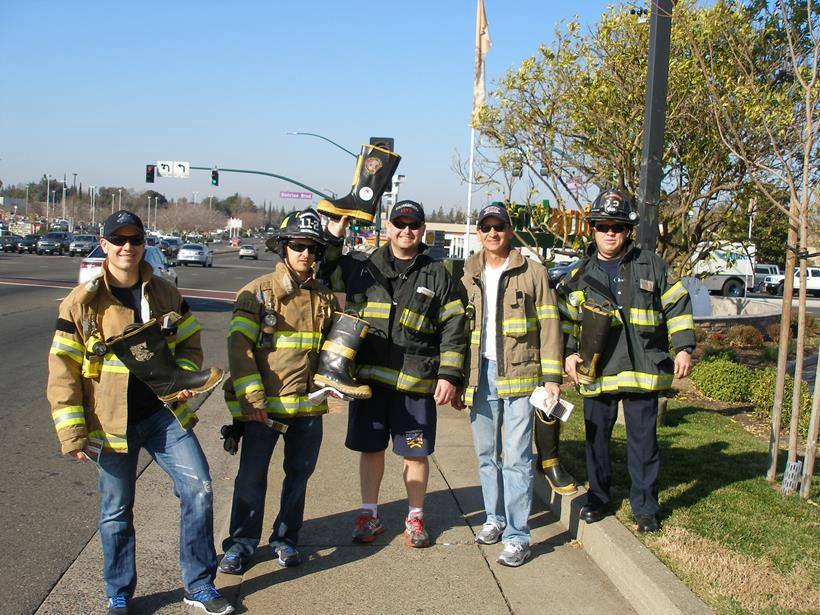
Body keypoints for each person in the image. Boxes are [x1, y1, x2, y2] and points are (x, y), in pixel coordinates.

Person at [46, 211, 232, 615]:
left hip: (164, 417)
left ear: (144, 243)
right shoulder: (82, 303)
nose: (127, 247)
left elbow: (190, 344)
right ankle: (119, 593)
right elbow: (62, 370)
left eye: (135, 239)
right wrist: (73, 433)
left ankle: (199, 585)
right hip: (113, 424)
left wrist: (181, 378)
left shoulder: (164, 294)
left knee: (198, 490)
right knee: (116, 511)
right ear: (105, 243)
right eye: (118, 239)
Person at [321, 200, 467, 547]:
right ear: (388, 228)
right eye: (399, 223)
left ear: (422, 230)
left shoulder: (438, 273)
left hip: (414, 387)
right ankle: (368, 515)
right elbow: (323, 271)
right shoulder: (363, 267)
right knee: (370, 450)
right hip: (368, 383)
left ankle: (415, 519)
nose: (406, 230)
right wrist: (333, 235)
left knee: (415, 452)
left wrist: (450, 375)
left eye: (413, 224)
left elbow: (454, 327)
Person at [557, 189, 695, 534]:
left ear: (628, 230)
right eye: (603, 226)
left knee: (644, 444)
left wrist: (683, 347)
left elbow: (677, 304)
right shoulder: (578, 275)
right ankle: (599, 499)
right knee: (596, 441)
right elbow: (564, 319)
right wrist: (568, 354)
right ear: (592, 229)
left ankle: (645, 508)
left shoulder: (651, 264)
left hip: (642, 371)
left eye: (617, 227)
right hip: (598, 372)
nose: (609, 233)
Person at [219, 209, 337, 574]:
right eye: (299, 246)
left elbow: (333, 353)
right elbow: (239, 351)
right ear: (284, 247)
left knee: (298, 477)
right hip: (263, 410)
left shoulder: (324, 298)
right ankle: (240, 545)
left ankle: (285, 540)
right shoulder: (256, 294)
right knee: (252, 478)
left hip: (308, 409)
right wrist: (252, 402)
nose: (306, 254)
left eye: (313, 249)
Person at [457, 203, 565, 567]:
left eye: (498, 226)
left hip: (520, 375)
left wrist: (551, 378)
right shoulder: (467, 272)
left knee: (517, 458)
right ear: (478, 232)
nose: (492, 233)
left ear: (509, 230)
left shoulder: (532, 272)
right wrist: (456, 378)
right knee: (487, 454)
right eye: (486, 227)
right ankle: (494, 518)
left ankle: (518, 536)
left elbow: (550, 326)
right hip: (479, 376)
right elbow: (456, 331)